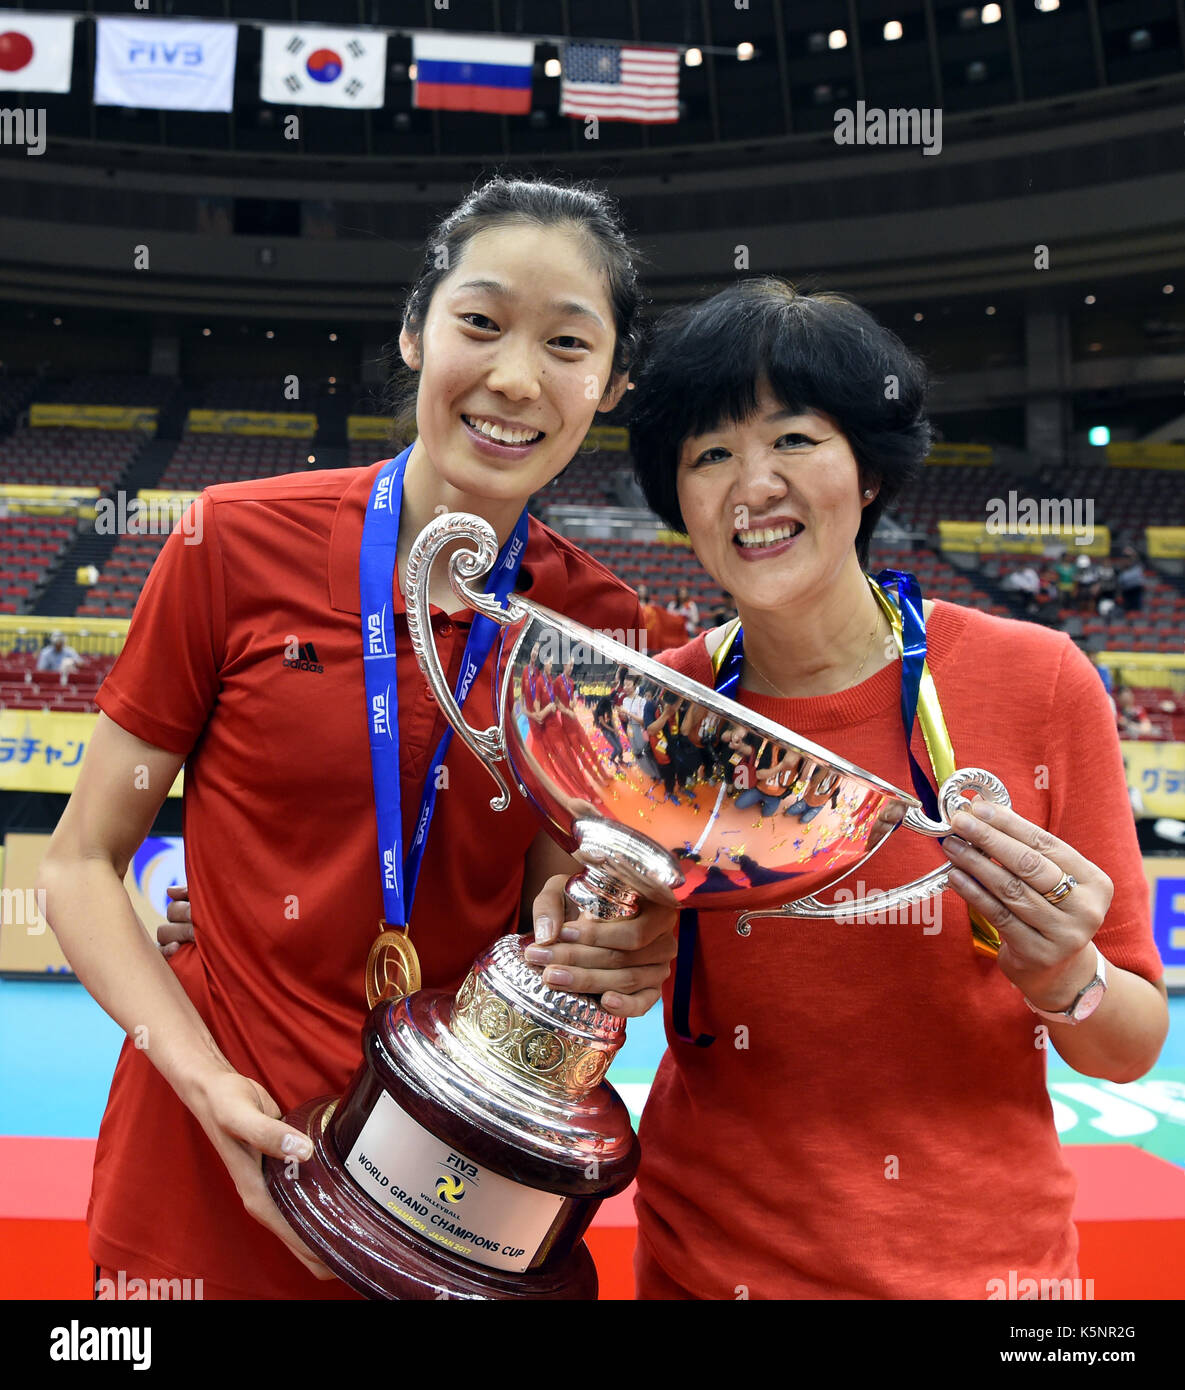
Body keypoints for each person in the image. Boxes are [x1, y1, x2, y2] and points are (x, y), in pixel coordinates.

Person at [38, 178, 678, 1301]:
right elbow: (82, 862)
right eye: (479, 323)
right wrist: (201, 1082)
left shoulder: (604, 632)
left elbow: (554, 907)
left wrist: (613, 947)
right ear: (413, 330)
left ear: (612, 384)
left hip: (452, 1193)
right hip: (196, 1172)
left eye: (567, 343)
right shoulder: (227, 544)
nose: (516, 376)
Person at [626, 278, 1168, 1300]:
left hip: (989, 1276)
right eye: (710, 455)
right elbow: (605, 981)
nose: (753, 484)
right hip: (710, 1271)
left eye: (793, 438)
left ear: (867, 470)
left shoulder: (1040, 679)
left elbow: (1129, 1043)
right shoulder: (657, 712)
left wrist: (1065, 977)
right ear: (678, 501)